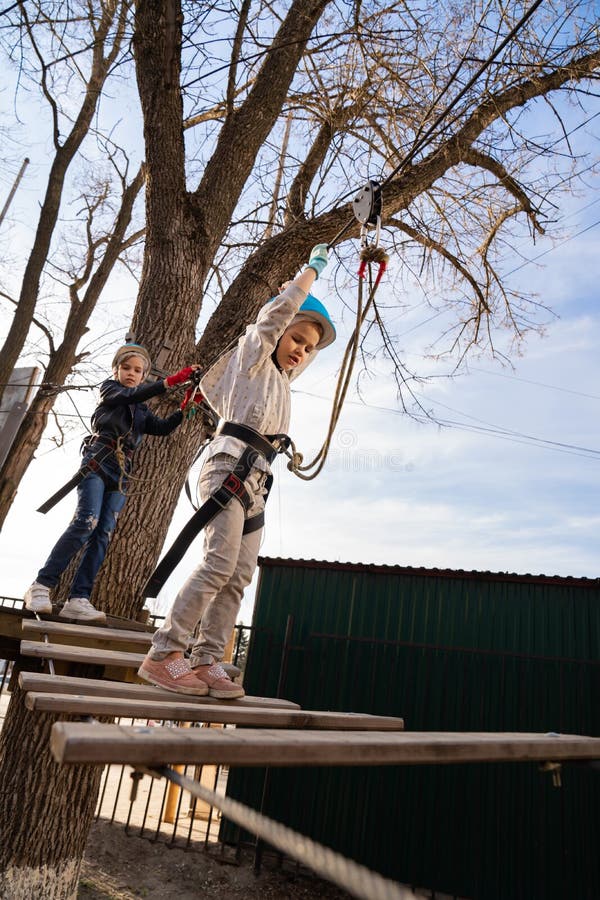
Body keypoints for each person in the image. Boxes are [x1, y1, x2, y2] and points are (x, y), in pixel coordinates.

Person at [138, 243, 334, 699]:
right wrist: (306, 278)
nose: (301, 351)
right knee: (218, 562)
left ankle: (206, 660)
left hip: (258, 479)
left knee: (240, 573)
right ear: (279, 331)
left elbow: (302, 344)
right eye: (295, 339)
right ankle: (164, 653)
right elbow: (270, 322)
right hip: (228, 464)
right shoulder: (251, 359)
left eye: (309, 348)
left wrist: (309, 329)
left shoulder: (282, 383)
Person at [24, 344, 200, 623]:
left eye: (138, 371)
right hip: (98, 459)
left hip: (121, 471)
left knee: (103, 531)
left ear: (143, 376)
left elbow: (162, 428)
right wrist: (171, 382)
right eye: (126, 368)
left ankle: (79, 598)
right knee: (86, 521)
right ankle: (41, 585)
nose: (131, 373)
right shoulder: (110, 390)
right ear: (116, 370)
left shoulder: (141, 410)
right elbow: (131, 395)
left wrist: (186, 405)